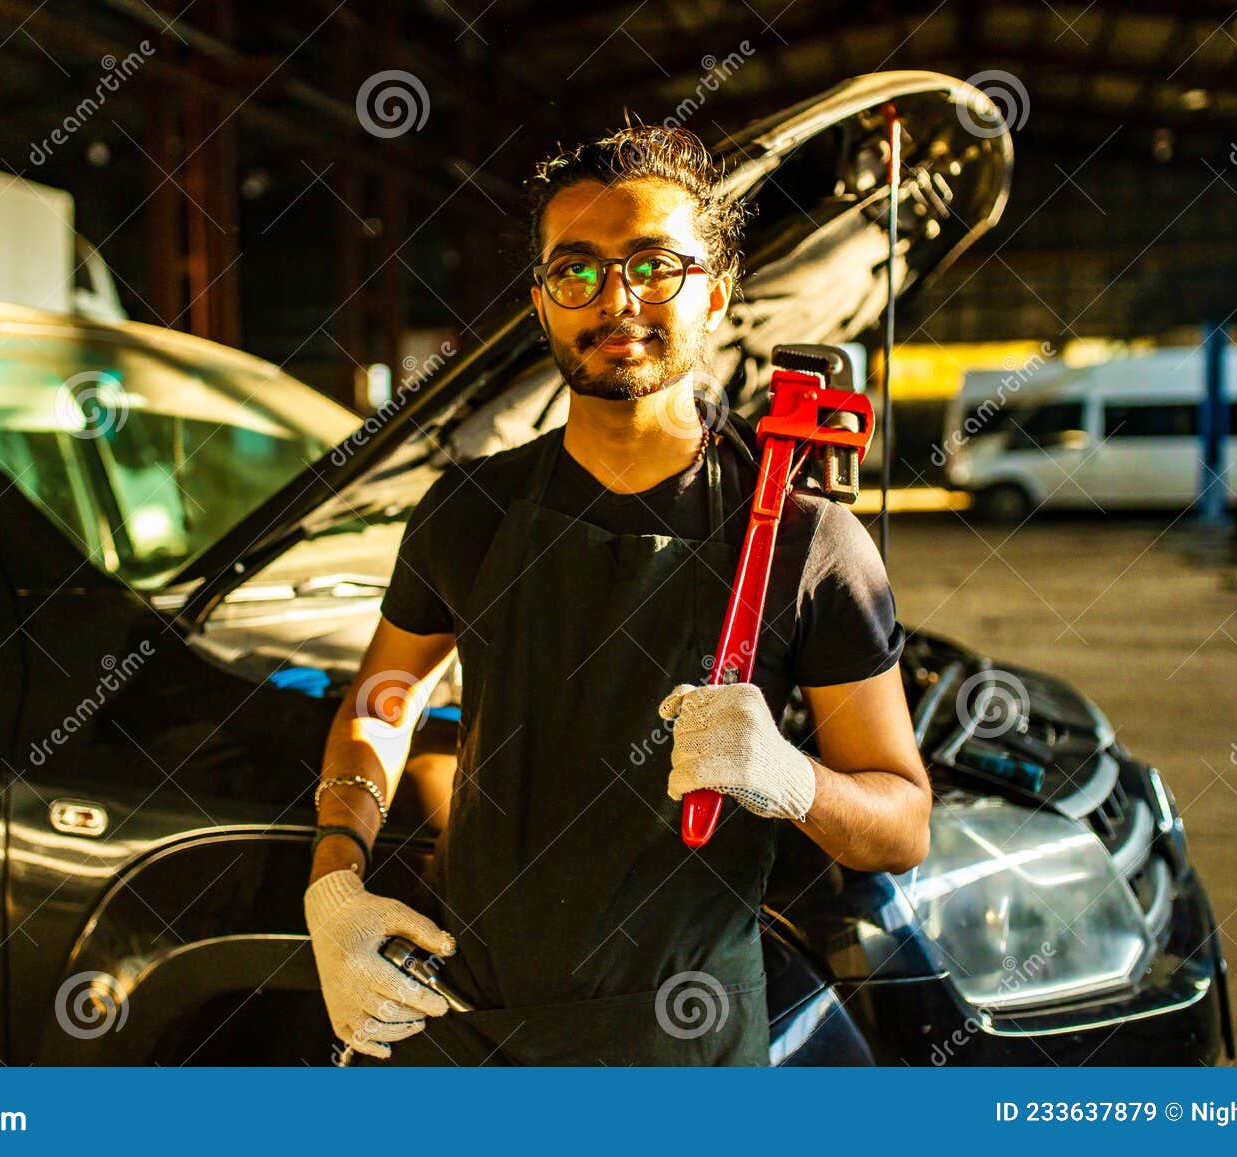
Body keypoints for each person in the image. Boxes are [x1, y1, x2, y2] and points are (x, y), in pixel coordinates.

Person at [303, 123, 931, 1066]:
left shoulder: (808, 541)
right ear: (542, 306)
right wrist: (334, 884)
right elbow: (381, 704)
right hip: (466, 1025)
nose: (617, 299)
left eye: (654, 265)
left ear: (715, 295)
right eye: (578, 271)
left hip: (680, 1043)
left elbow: (901, 824)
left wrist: (792, 778)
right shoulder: (469, 511)